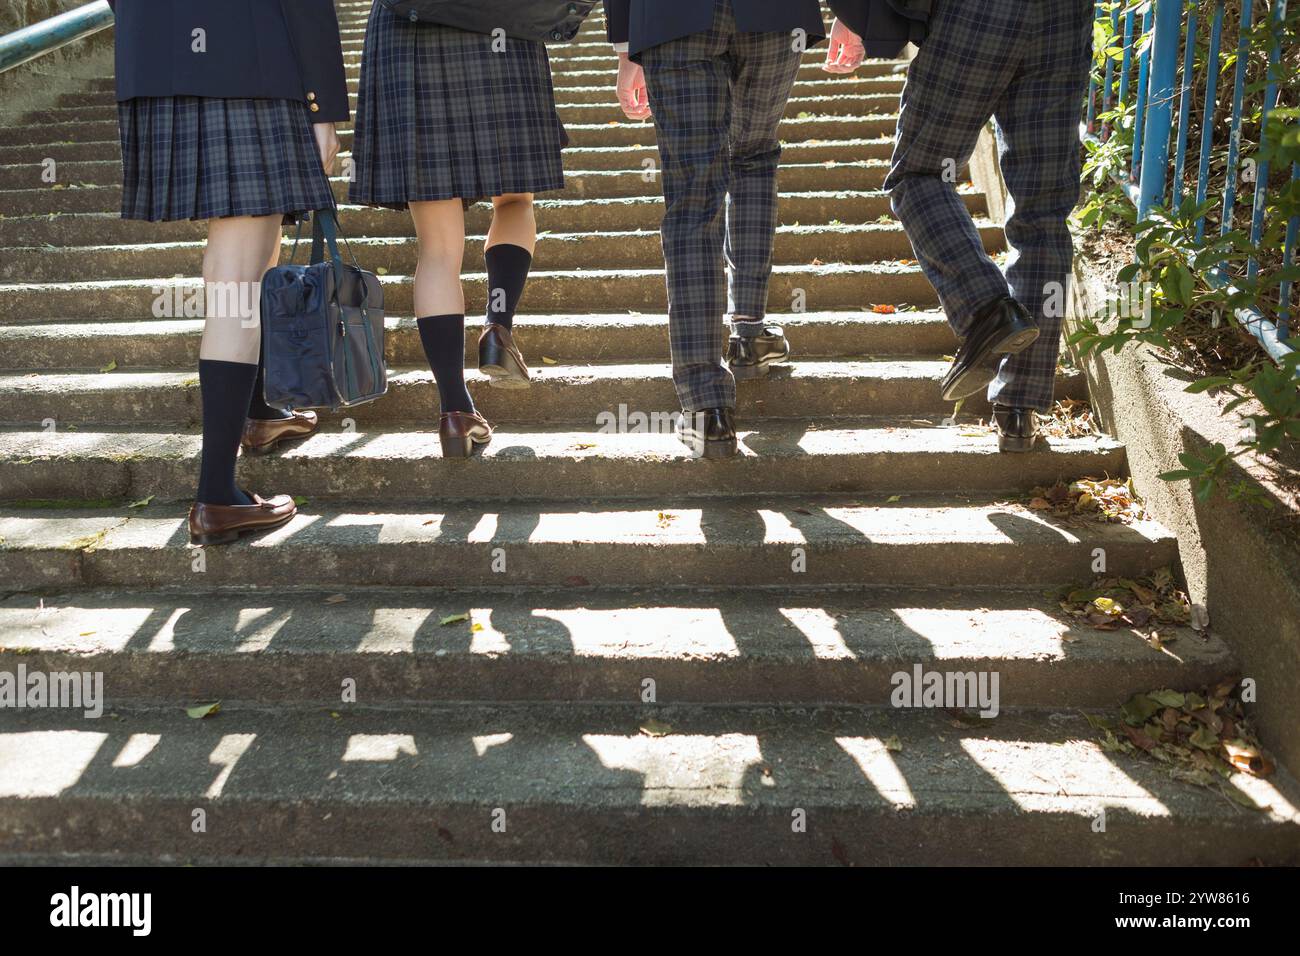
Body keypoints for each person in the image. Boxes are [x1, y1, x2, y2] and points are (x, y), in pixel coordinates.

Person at [108, 0, 347, 544]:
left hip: (153, 63)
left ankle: (260, 409)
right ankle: (217, 495)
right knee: (239, 275)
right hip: (250, 63)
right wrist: (322, 104)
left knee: (236, 257)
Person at [828, 0, 1094, 453]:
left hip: (977, 15)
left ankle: (988, 309)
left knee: (918, 173)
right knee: (1043, 215)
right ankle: (1018, 411)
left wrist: (860, 13)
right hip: (1066, 21)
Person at [349, 1, 571, 458]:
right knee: (514, 200)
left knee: (436, 248)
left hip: (408, 39)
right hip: (501, 32)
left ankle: (455, 408)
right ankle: (497, 324)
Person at [607, 0, 825, 458]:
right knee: (754, 156)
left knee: (691, 197)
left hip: (673, 19)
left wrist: (627, 44)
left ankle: (706, 405)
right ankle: (749, 333)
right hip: (775, 17)